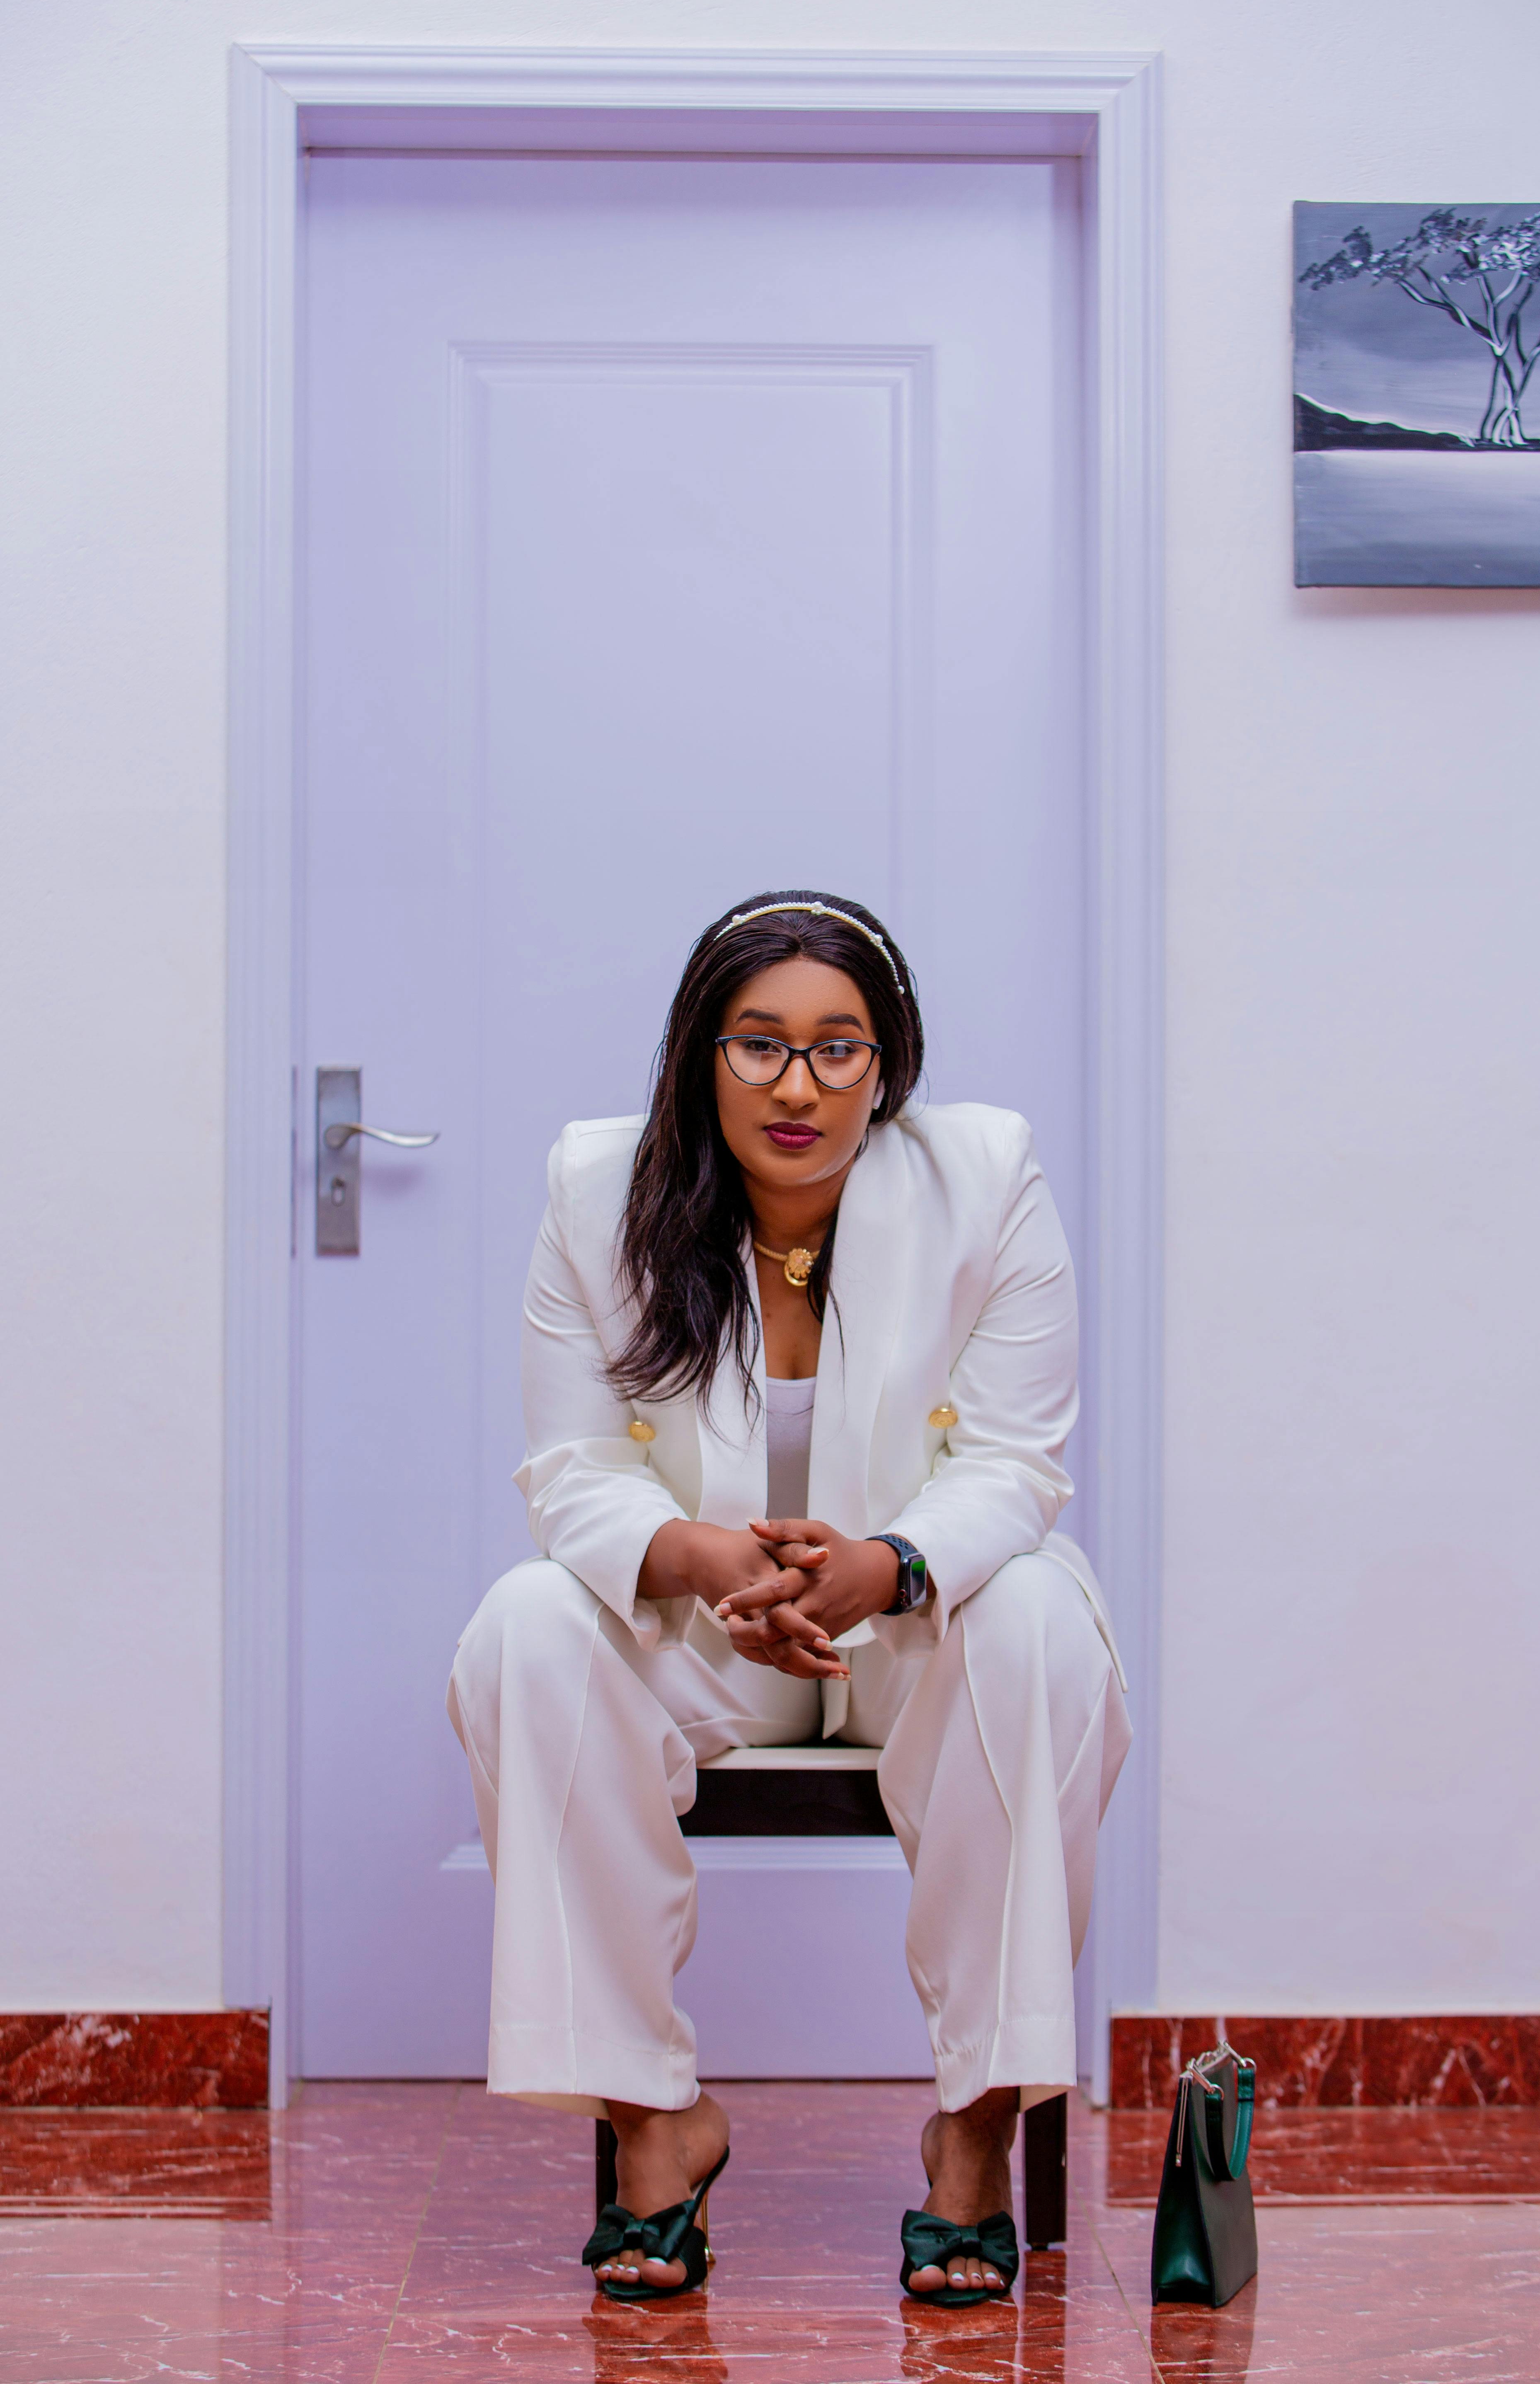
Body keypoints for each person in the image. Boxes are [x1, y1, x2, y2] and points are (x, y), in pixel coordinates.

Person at [448, 891, 1130, 2307]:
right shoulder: (597, 1187)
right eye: (760, 1046)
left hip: (914, 1629)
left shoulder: (985, 1175)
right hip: (705, 1634)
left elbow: (1016, 1461)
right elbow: (570, 1465)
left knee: (1045, 1616)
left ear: (888, 1066)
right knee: (521, 1621)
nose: (799, 1087)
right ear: (703, 1053)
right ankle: (654, 2122)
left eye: (840, 1050)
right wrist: (697, 1560)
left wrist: (888, 1565)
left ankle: (975, 2130)